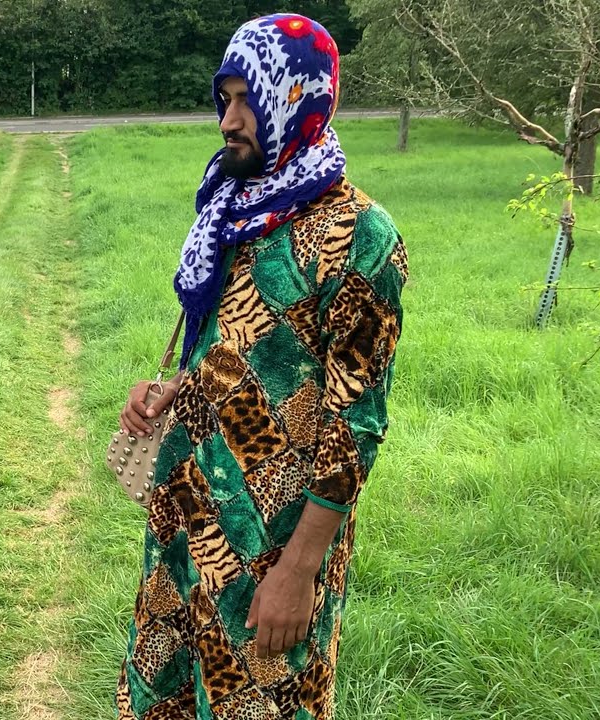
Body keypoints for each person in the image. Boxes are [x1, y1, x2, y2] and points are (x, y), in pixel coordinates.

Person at [115, 15, 407, 719]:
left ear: (301, 99)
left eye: (249, 100)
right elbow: (234, 344)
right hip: (185, 516)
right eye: (225, 99)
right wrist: (174, 388)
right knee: (166, 701)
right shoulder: (235, 207)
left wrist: (299, 572)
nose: (229, 120)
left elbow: (356, 427)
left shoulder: (359, 236)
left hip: (268, 549)